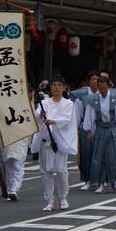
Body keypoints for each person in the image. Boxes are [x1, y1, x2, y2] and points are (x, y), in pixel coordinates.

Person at [31, 75, 77, 211]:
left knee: (61, 171)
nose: (56, 88)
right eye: (54, 85)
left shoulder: (68, 104)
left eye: (59, 85)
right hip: (46, 142)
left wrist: (53, 121)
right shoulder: (44, 103)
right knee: (46, 172)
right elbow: (36, 115)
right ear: (50, 88)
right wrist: (41, 115)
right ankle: (49, 200)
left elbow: (67, 119)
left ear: (64, 88)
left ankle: (63, 198)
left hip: (60, 143)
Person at [85, 75, 116, 194]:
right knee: (99, 157)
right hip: (99, 129)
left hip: (113, 128)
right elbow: (89, 117)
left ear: (108, 86)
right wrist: (89, 131)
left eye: (104, 88)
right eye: (100, 88)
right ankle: (101, 182)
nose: (102, 90)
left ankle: (114, 181)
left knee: (114, 156)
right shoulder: (93, 99)